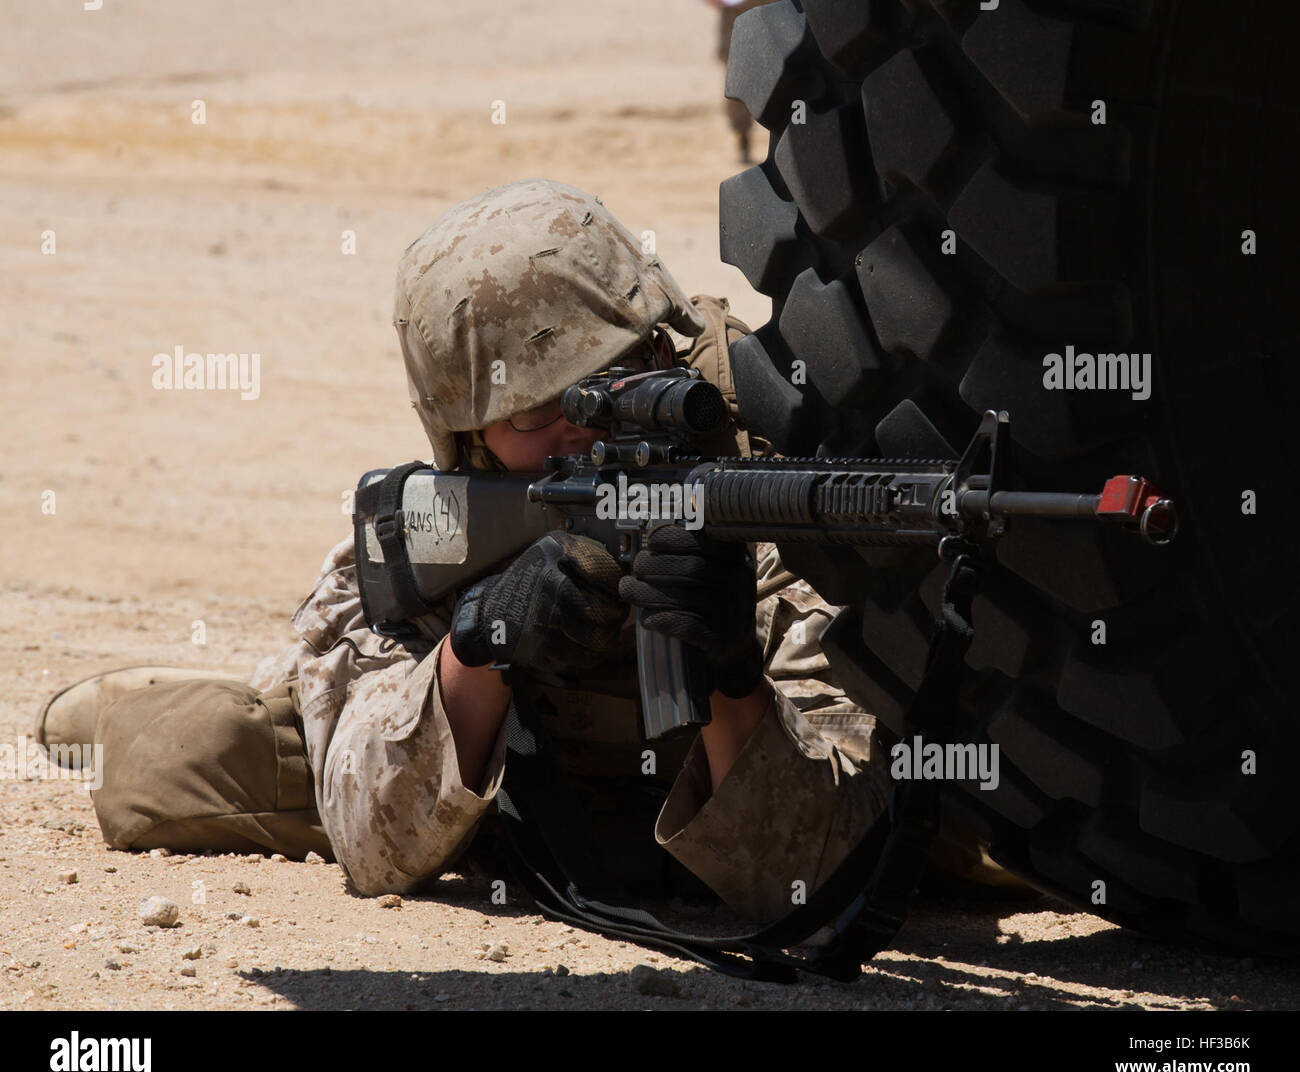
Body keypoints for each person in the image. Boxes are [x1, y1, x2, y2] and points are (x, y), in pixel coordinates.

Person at [38, 179, 895, 927]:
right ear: (466, 441)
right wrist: (482, 643)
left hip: (714, 821)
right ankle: (119, 713)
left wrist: (729, 679)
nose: (582, 429)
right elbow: (371, 849)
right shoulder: (440, 533)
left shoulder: (772, 500)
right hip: (519, 802)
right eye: (533, 413)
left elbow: (818, 864)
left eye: (610, 380)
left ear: (662, 349)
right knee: (207, 751)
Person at [704, 0, 780, 164]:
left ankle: (785, 147)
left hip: (776, 15)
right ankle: (744, 144)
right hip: (738, 17)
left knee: (785, 85)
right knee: (739, 88)